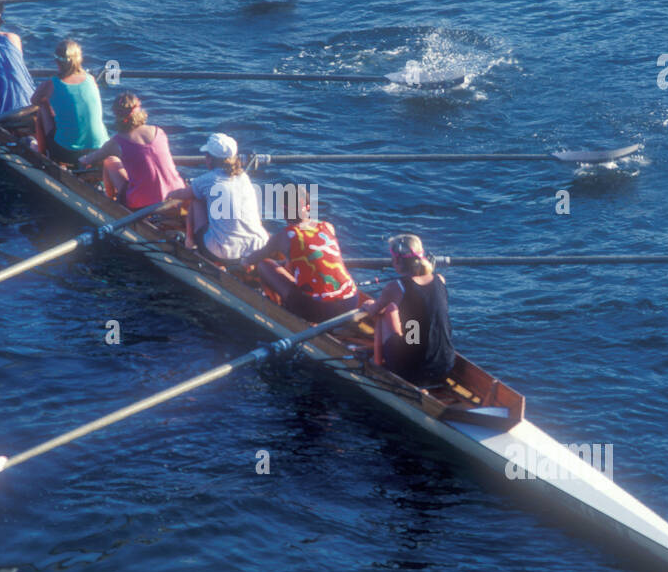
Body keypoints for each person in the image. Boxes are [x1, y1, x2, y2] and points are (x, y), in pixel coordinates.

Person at [241, 186, 359, 323]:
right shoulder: (328, 227)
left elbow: (252, 259)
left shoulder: (283, 236)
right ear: (309, 208)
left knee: (263, 264)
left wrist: (244, 262)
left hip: (317, 309)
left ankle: (278, 308)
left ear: (283, 211)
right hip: (351, 301)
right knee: (294, 261)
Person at [367, 233, 455, 385]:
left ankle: (377, 365)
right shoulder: (440, 279)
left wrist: (367, 305)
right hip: (445, 365)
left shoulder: (395, 287)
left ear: (396, 261)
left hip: (412, 371)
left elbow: (374, 311)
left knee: (383, 312)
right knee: (410, 323)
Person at [166, 133, 268, 263]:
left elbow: (180, 195)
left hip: (223, 252)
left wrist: (168, 195)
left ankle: (189, 243)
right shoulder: (244, 178)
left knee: (196, 199)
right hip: (258, 247)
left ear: (209, 159)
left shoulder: (206, 180)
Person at [78, 93, 185, 209]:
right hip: (177, 194)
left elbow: (86, 160)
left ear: (116, 115)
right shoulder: (159, 131)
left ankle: (110, 204)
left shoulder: (116, 142)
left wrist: (80, 160)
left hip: (143, 203)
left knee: (109, 161)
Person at [32, 39, 107, 165]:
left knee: (41, 108)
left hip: (68, 153)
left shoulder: (51, 84)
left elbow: (34, 100)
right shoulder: (91, 79)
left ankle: (43, 155)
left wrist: (48, 103)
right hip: (100, 148)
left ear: (56, 61)